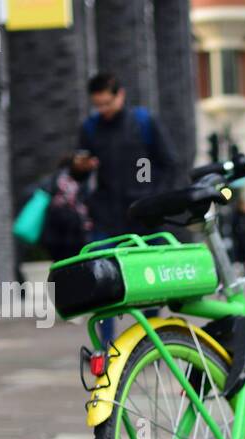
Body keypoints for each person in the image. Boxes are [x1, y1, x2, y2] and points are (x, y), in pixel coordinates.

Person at [73, 72, 178, 343]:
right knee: (101, 280)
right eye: (98, 105)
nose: (103, 110)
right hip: (107, 216)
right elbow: (80, 174)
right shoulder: (90, 128)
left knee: (151, 283)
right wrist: (80, 168)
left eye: (107, 103)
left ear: (120, 95)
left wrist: (155, 199)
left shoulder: (143, 122)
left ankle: (155, 340)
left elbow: (170, 163)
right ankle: (106, 346)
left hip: (144, 216)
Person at [40, 153, 93, 263]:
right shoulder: (78, 183)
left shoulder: (54, 180)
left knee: (61, 264)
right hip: (69, 234)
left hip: (57, 236)